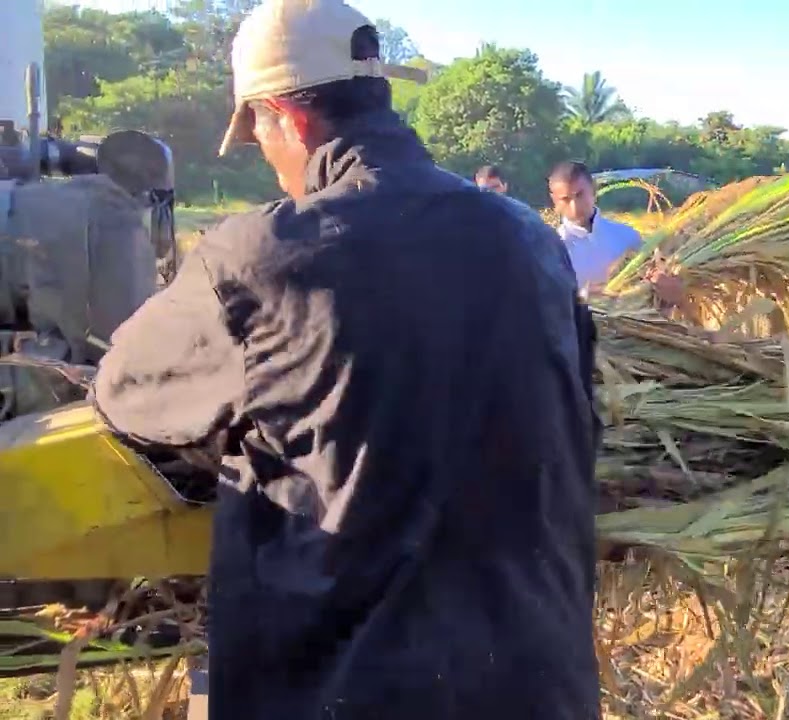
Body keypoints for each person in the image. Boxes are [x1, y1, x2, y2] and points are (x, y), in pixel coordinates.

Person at [88, 2, 602, 718]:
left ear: (287, 118)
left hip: (347, 693)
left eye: (258, 135)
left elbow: (124, 395)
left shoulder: (259, 258)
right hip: (539, 685)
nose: (269, 162)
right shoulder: (531, 241)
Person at [548, 160, 645, 294]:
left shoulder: (628, 237)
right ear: (554, 200)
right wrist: (583, 297)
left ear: (593, 190)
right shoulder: (551, 252)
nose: (575, 206)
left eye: (579, 195)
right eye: (565, 199)